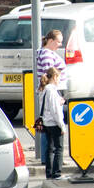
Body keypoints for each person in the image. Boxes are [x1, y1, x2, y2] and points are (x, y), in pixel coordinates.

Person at [34, 29, 64, 165]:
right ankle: (49, 161)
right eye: (58, 42)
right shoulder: (47, 54)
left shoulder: (45, 52)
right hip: (51, 92)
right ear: (51, 41)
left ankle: (48, 160)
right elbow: (50, 75)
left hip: (47, 91)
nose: (60, 45)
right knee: (50, 123)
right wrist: (58, 95)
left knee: (46, 123)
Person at [37, 67, 67, 179]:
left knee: (49, 149)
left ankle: (49, 174)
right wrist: (62, 125)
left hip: (46, 123)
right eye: (58, 77)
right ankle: (57, 173)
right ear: (54, 77)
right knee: (59, 149)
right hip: (54, 123)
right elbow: (55, 111)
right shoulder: (52, 91)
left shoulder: (44, 89)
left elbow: (46, 106)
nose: (59, 80)